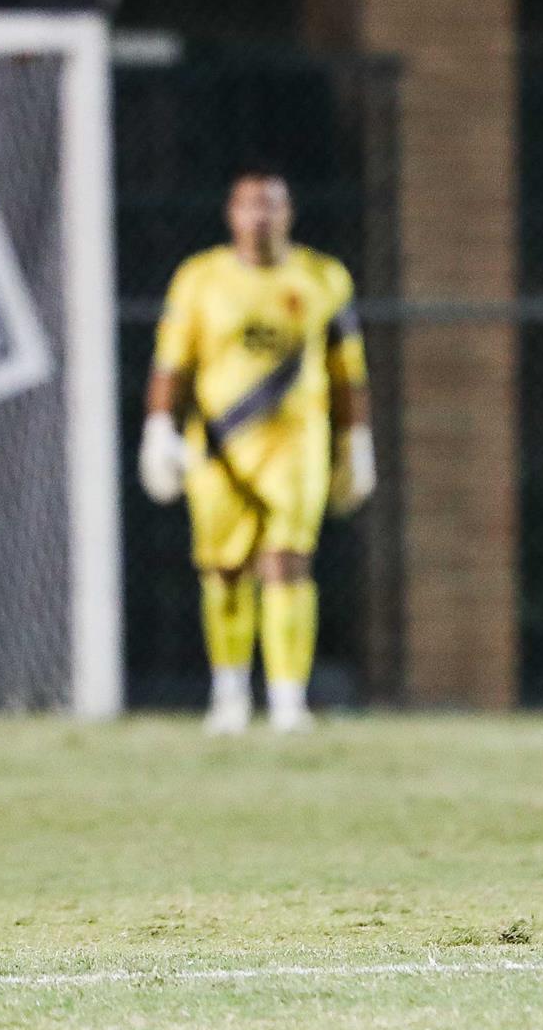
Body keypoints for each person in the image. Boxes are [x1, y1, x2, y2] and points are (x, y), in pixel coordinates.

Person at [139, 171, 376, 734]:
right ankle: (229, 695)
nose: (260, 217)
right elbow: (172, 363)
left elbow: (349, 373)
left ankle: (289, 699)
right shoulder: (200, 278)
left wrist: (356, 441)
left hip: (296, 444)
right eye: (250, 206)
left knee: (286, 560)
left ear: (288, 213)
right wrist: (157, 428)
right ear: (231, 214)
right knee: (222, 569)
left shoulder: (323, 277)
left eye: (271, 206)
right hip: (219, 446)